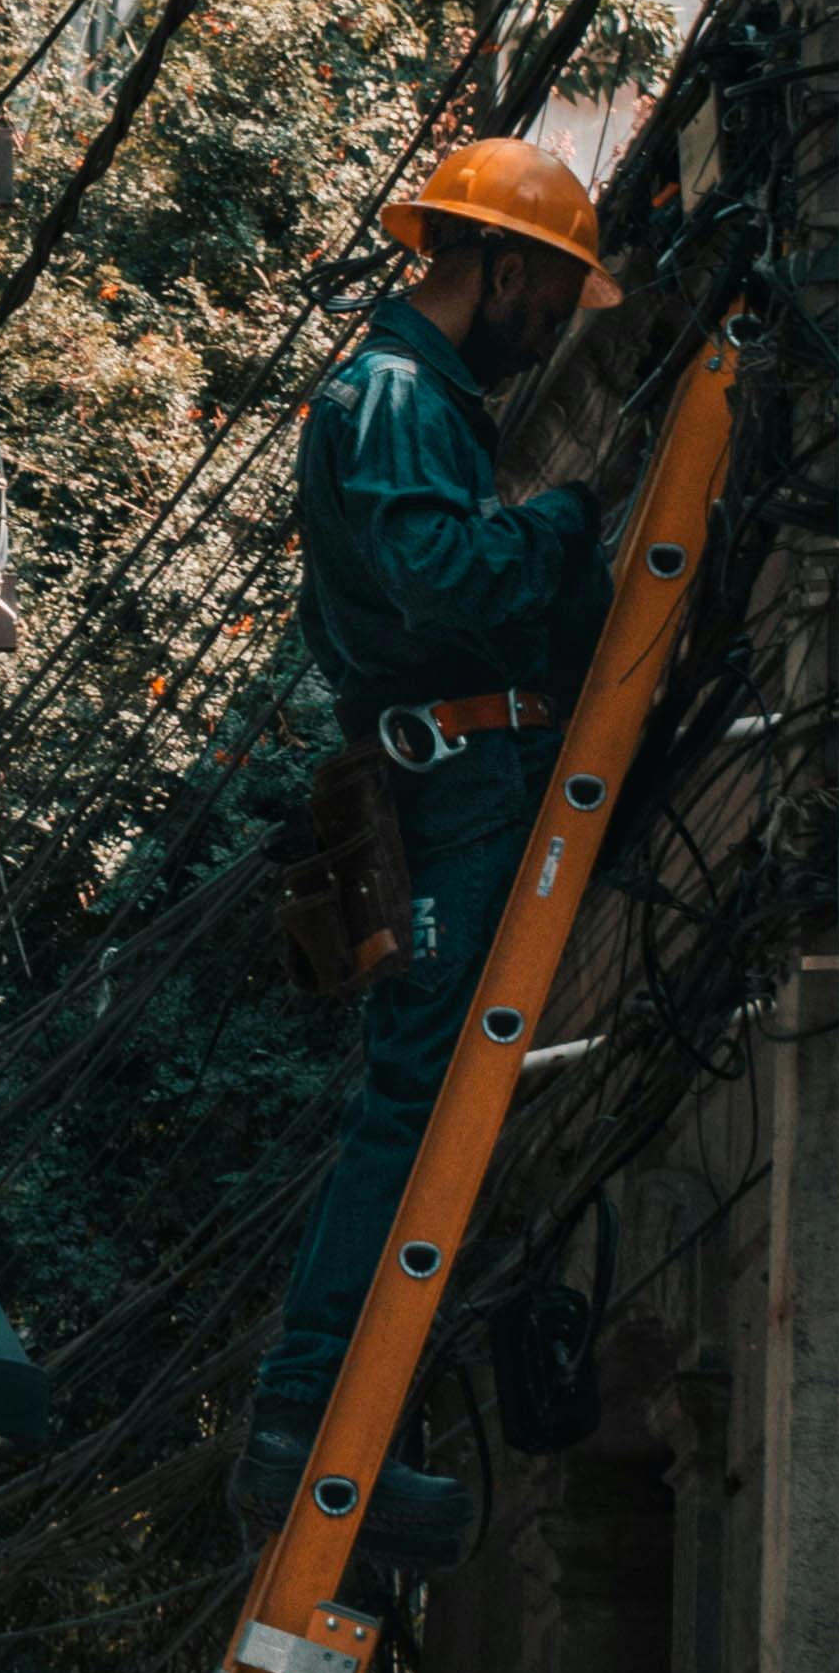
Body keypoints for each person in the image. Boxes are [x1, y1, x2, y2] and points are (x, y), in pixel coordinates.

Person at [237, 138, 621, 1568]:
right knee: (414, 1101)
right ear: (502, 267)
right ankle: (300, 1429)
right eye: (555, 294)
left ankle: (332, 1423)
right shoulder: (394, 398)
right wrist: (567, 524)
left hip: (454, 767)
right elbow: (439, 580)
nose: (556, 331)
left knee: (437, 1099)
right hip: (450, 771)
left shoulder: (419, 400)